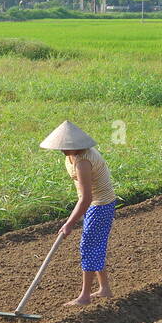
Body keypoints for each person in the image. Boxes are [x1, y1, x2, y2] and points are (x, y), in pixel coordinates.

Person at [39, 120, 117, 306]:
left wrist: (69, 224)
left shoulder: (83, 162)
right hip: (94, 203)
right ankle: (104, 289)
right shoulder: (71, 156)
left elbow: (86, 198)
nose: (62, 150)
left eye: (66, 146)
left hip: (101, 204)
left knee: (89, 246)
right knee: (94, 245)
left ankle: (85, 296)